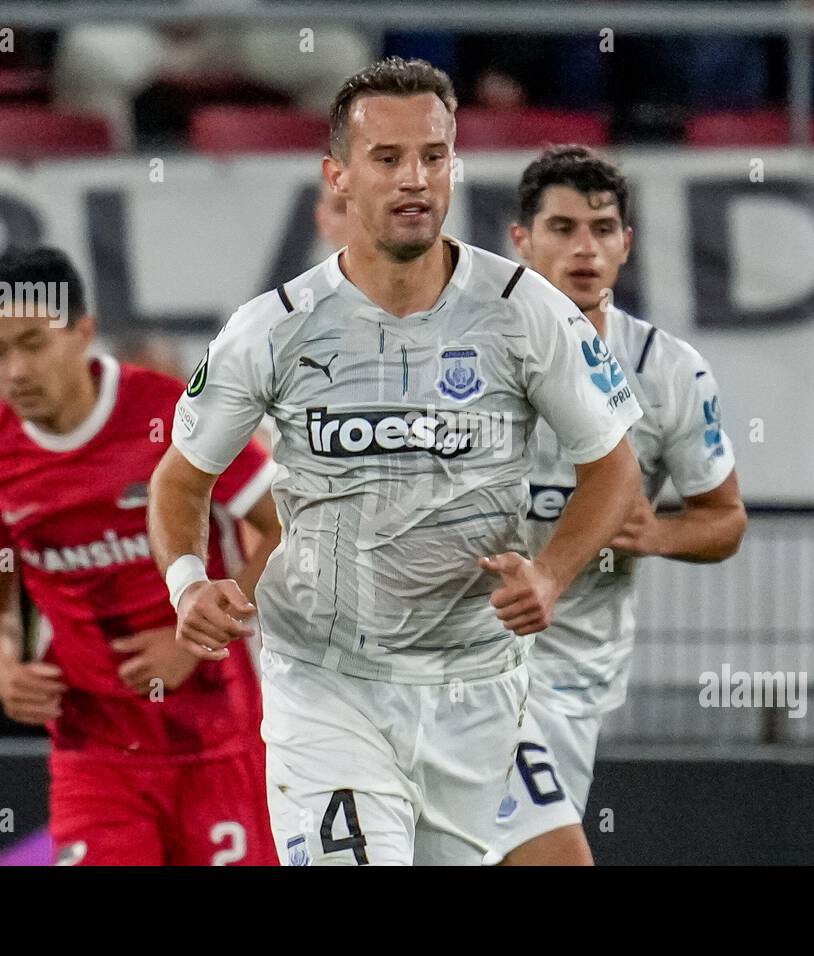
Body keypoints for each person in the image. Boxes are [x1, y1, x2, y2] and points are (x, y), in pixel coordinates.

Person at [148, 57, 643, 866]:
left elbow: (612, 466)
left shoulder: (528, 314)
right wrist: (186, 580)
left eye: (434, 156)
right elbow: (182, 477)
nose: (415, 178)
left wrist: (551, 573)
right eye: (387, 158)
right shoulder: (272, 330)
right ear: (337, 174)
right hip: (327, 684)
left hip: (474, 690)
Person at [0, 246, 281, 865]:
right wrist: (3, 671)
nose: (15, 370)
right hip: (94, 754)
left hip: (219, 738)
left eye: (33, 343)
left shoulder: (178, 414)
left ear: (82, 332)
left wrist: (193, 641)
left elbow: (289, 530)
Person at [487, 146, 747, 863]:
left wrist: (656, 535)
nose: (584, 248)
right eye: (563, 228)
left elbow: (724, 519)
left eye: (602, 229)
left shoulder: (670, 372)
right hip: (464, 661)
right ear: (522, 241)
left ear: (626, 245)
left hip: (576, 678)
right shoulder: (471, 356)